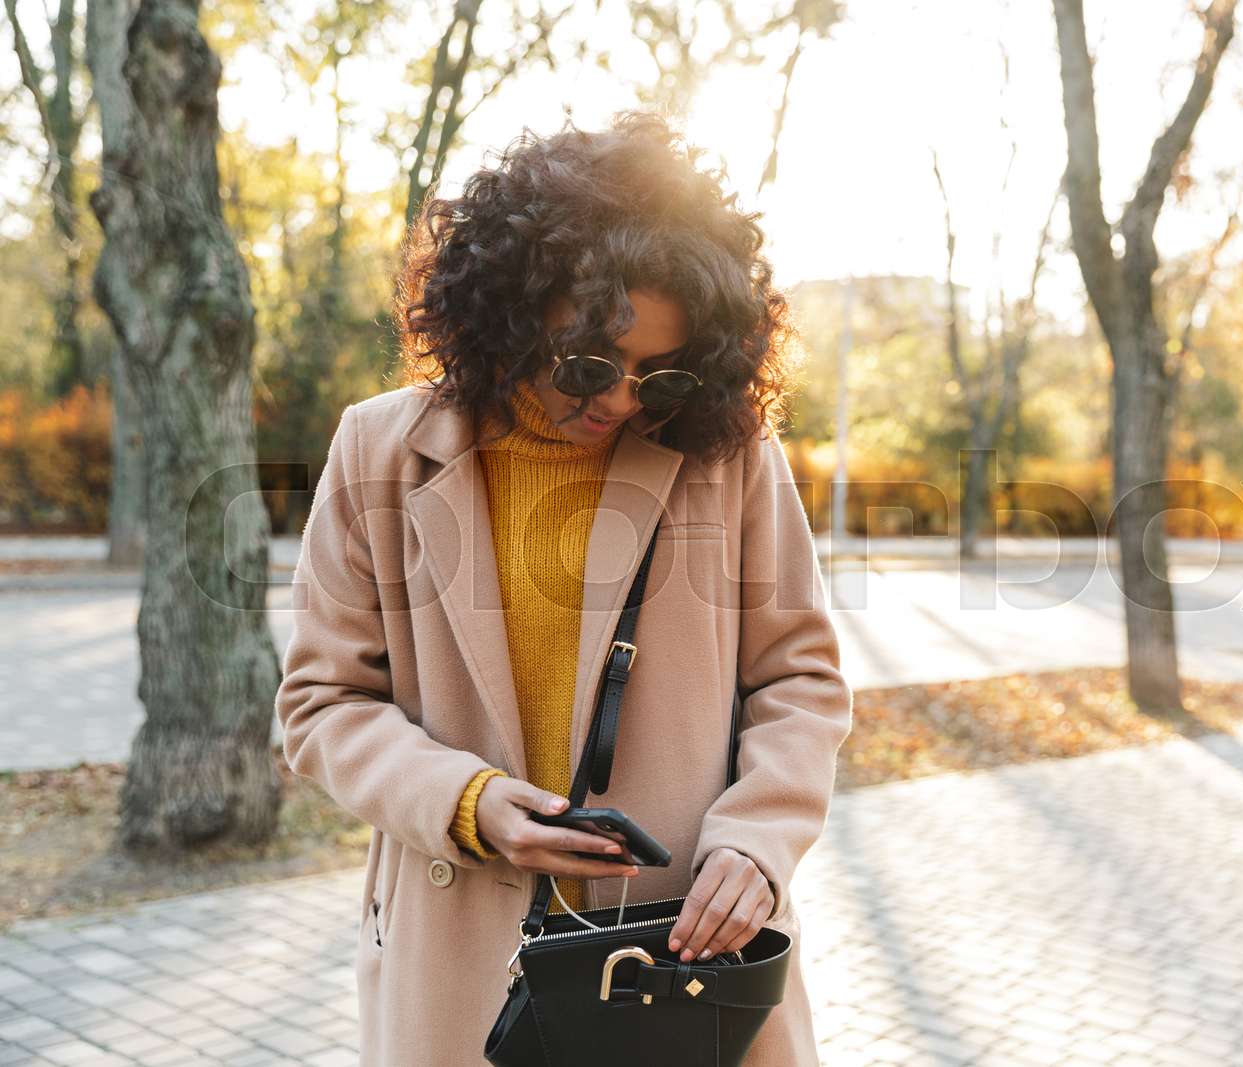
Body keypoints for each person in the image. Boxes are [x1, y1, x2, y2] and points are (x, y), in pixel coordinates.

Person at [274, 111, 852, 1067]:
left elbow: (800, 678)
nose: (619, 400)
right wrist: (467, 802)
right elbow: (321, 702)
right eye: (588, 364)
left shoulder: (728, 456)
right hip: (462, 964)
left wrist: (757, 842)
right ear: (509, 306)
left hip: (684, 957)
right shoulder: (377, 449)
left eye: (656, 377)